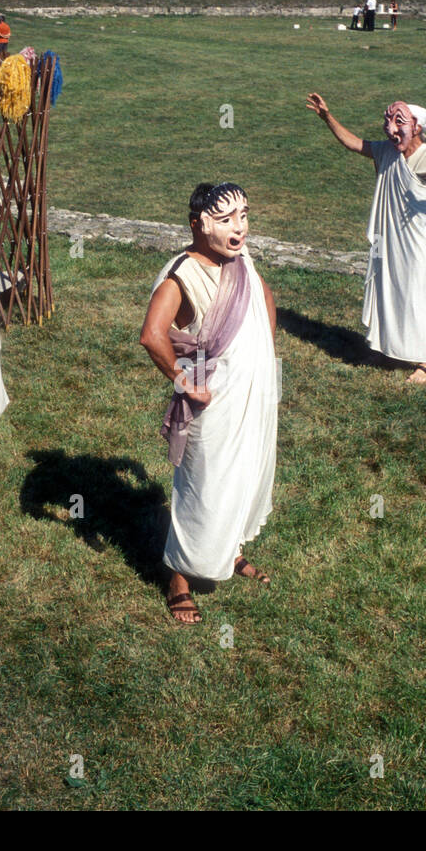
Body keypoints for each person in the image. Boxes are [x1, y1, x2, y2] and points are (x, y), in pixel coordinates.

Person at [139, 183, 279, 625]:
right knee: (203, 487)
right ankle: (178, 578)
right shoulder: (183, 275)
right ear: (199, 226)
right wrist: (184, 381)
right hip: (213, 401)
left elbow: (263, 296)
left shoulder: (241, 262)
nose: (239, 227)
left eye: (244, 215)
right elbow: (151, 335)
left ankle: (229, 549)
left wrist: (263, 353)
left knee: (243, 476)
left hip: (252, 393)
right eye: (226, 219)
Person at [305, 93, 426, 385]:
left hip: (416, 240)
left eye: (399, 122)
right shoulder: (386, 151)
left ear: (416, 127)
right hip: (388, 234)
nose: (391, 128)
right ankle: (385, 349)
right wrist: (326, 117)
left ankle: (425, 362)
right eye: (388, 120)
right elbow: (354, 143)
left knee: (416, 294)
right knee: (387, 287)